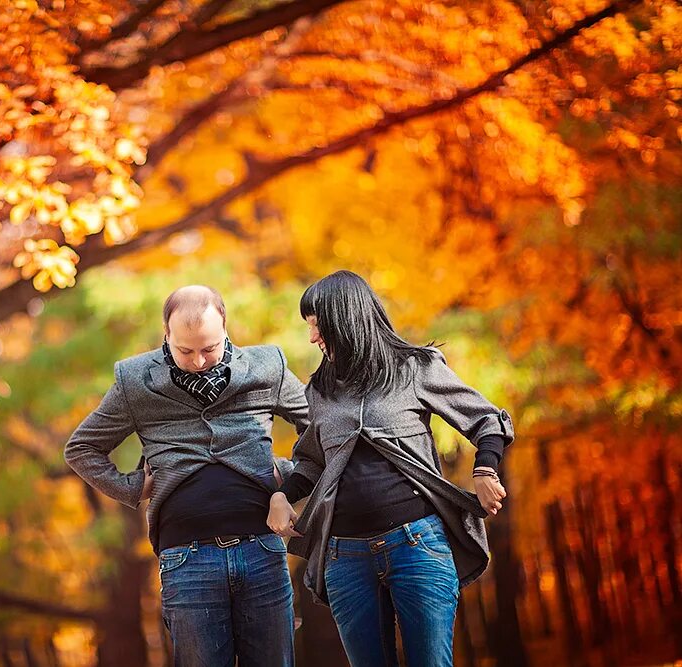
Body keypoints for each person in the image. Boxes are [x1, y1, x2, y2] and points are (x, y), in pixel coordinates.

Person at [267, 270, 514, 667]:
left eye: (317, 326)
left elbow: (488, 421)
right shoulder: (318, 392)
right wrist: (283, 493)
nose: (313, 338)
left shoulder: (415, 369)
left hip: (417, 545)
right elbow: (312, 460)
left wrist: (485, 470)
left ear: (344, 319)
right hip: (344, 558)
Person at [65, 285, 310, 667]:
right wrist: (133, 487)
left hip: (262, 549)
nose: (198, 361)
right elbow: (81, 448)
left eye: (209, 349)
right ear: (166, 334)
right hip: (187, 560)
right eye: (185, 350)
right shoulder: (135, 381)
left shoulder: (267, 366)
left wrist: (289, 475)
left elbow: (320, 429)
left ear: (226, 328)